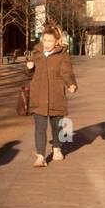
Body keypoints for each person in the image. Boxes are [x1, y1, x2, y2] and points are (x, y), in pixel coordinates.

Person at [24, 23, 78, 167]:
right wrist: (29, 68)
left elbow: (67, 72)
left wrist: (71, 84)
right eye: (44, 40)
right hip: (39, 95)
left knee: (58, 126)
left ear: (57, 41)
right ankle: (40, 156)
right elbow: (29, 72)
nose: (46, 43)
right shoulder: (36, 52)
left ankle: (57, 148)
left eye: (49, 41)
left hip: (56, 95)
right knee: (40, 128)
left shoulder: (63, 55)